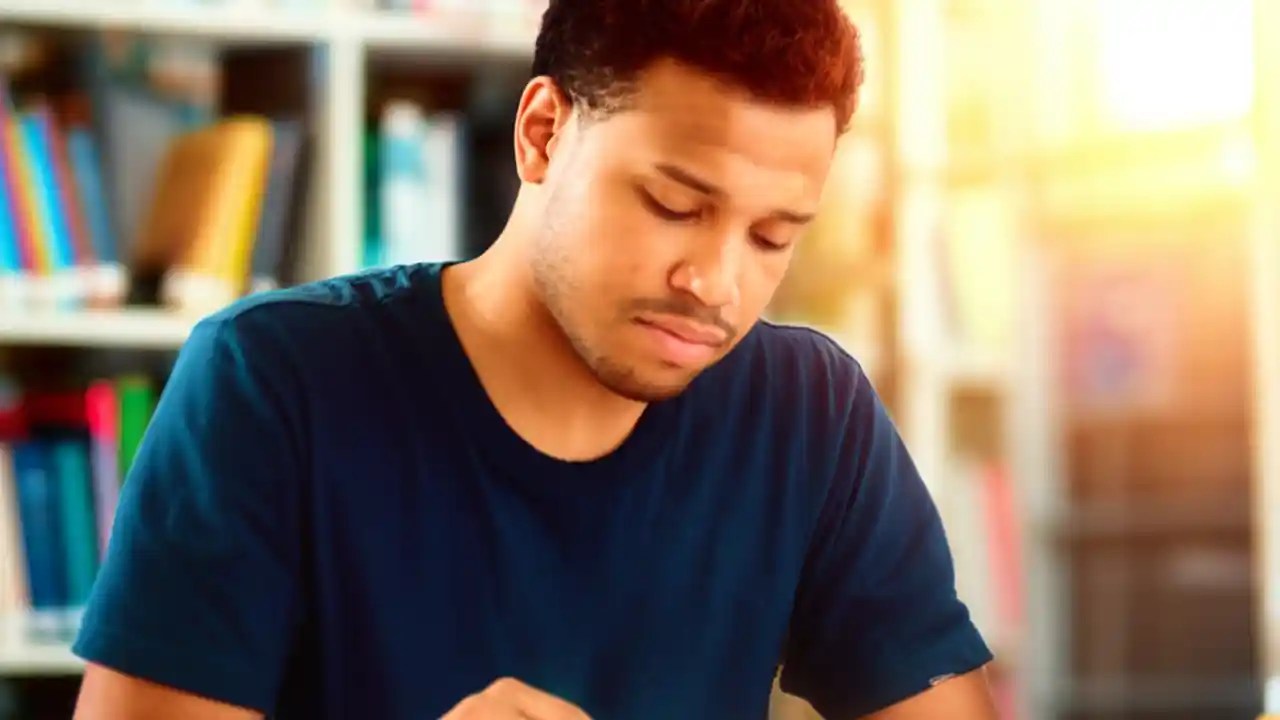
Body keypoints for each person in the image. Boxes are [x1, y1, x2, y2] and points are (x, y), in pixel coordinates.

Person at [71, 0, 998, 718]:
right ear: (543, 133)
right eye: (674, 205)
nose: (715, 283)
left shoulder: (810, 414)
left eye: (772, 236)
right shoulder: (270, 386)